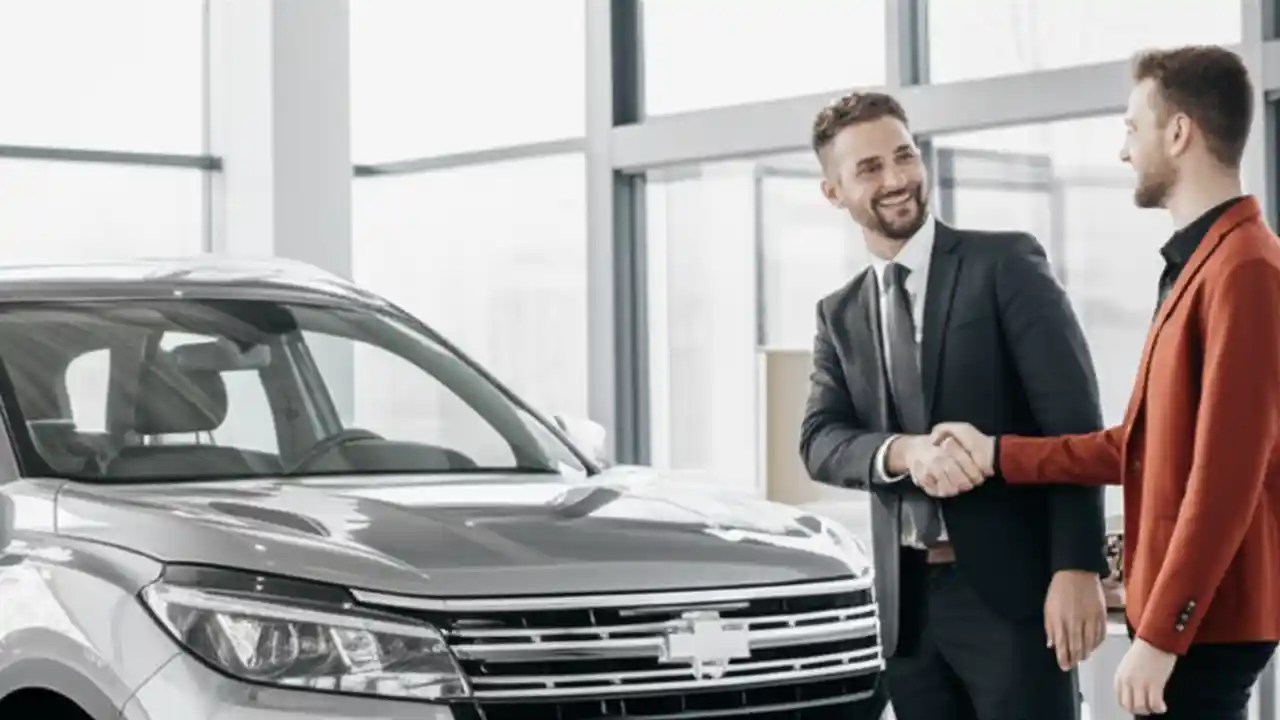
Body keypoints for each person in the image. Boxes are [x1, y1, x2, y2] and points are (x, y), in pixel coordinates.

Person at [932, 45, 1280, 719]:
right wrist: (998, 453)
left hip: (1210, 621)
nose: (1124, 150)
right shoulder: (1203, 263)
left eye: (1131, 127)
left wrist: (1163, 631)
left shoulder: (1246, 270)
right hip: (1196, 619)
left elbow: (1226, 478)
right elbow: (1142, 447)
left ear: (1178, 132)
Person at [799, 89, 1109, 720]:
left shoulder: (1005, 264)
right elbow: (820, 439)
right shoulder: (839, 314)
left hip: (1012, 596)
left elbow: (1074, 423)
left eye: (904, 156)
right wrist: (904, 452)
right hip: (907, 609)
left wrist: (1078, 567)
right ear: (833, 192)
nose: (897, 179)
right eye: (869, 168)